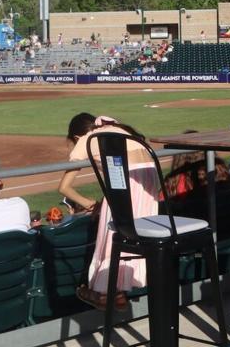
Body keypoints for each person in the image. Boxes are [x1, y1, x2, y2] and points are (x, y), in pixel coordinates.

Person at [64, 112, 160, 311]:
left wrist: (90, 204)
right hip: (149, 189)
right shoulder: (125, 131)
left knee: (112, 233)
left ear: (75, 137)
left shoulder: (87, 139)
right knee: (130, 233)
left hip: (126, 188)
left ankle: (106, 292)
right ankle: (118, 291)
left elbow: (64, 187)